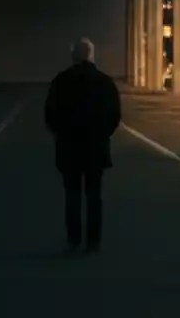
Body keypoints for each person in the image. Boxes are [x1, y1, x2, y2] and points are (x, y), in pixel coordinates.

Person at [43, 37, 122, 254]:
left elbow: (50, 114)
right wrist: (102, 134)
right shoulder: (105, 82)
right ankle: (94, 241)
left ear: (73, 56)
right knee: (94, 195)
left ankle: (73, 239)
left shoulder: (61, 80)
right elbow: (115, 115)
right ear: (92, 55)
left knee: (72, 194)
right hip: (96, 147)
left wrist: (61, 135)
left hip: (69, 147)